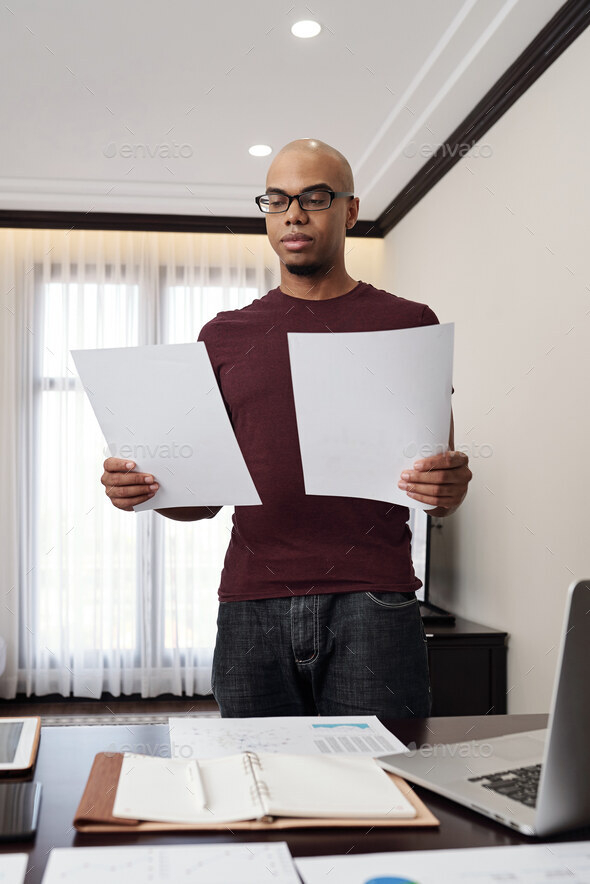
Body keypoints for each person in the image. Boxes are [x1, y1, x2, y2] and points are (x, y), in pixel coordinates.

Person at [101, 139, 472, 718]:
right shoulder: (222, 335)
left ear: (349, 211)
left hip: (372, 601)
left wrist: (449, 487)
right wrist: (145, 492)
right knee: (258, 795)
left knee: (381, 792)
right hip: (251, 605)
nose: (293, 213)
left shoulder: (408, 324)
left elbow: (440, 487)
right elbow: (201, 503)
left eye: (314, 197)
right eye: (276, 200)